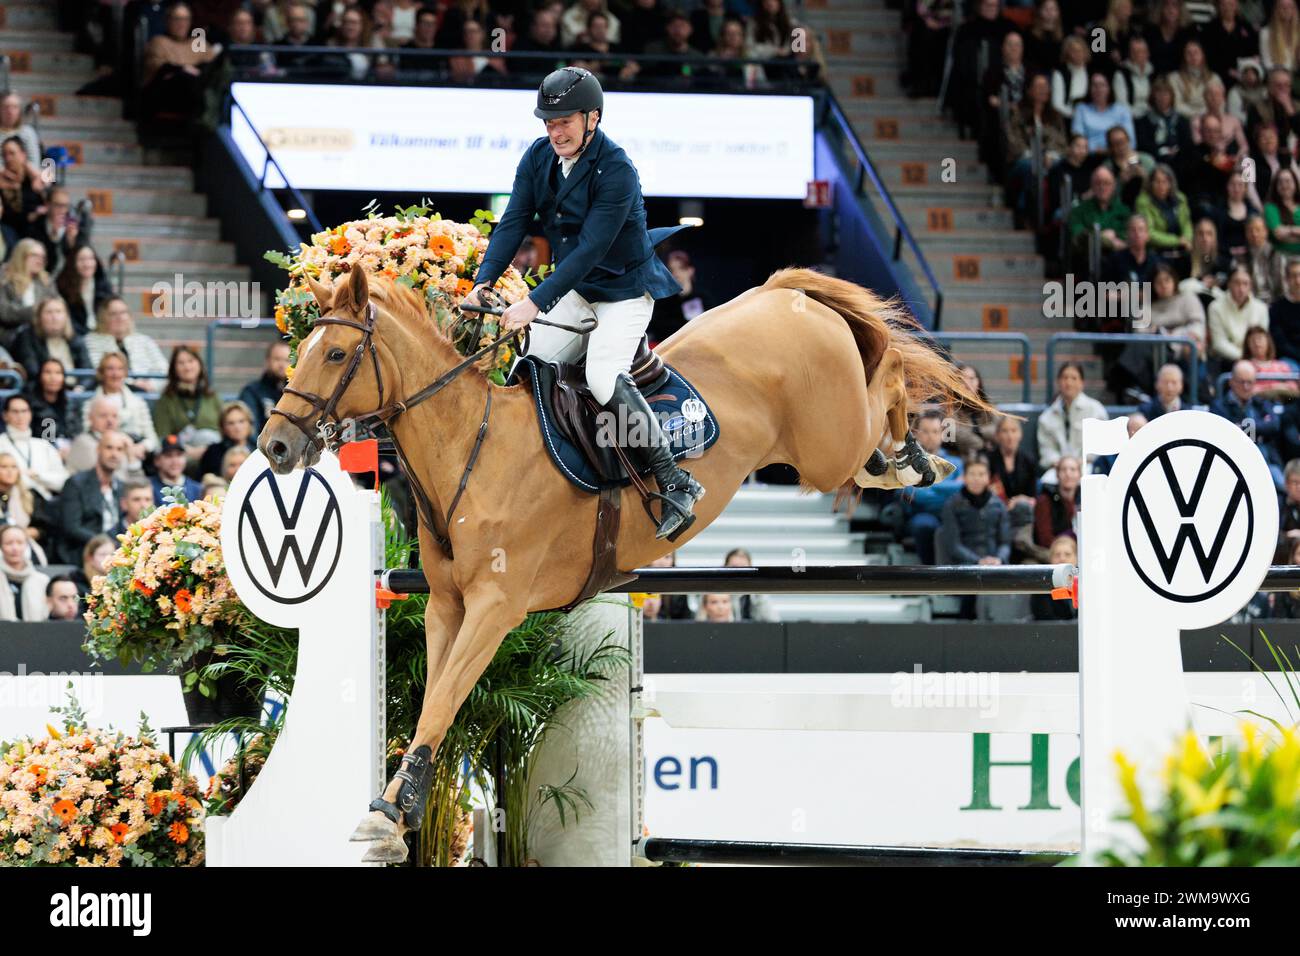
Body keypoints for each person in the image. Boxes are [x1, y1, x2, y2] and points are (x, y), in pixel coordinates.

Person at [464, 67, 702, 539]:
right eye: (549, 123)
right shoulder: (538, 157)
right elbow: (513, 221)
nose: (555, 132)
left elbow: (592, 247)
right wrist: (483, 281)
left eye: (565, 122)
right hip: (578, 288)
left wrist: (534, 302)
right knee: (531, 363)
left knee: (599, 374)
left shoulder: (616, 169)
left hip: (625, 292)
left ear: (593, 117)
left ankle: (675, 479)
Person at [938, 454, 1010, 618]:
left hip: (995, 564)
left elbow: (1005, 542)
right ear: (964, 477)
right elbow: (953, 544)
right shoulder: (952, 505)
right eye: (972, 474)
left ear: (988, 478)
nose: (976, 479)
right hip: (965, 566)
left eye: (981, 474)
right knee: (972, 588)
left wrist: (999, 559)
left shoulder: (998, 505)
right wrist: (977, 561)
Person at [901, 409, 963, 565]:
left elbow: (962, 490)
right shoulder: (907, 462)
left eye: (935, 431)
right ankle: (930, 576)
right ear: (916, 434)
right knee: (924, 525)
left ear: (942, 433)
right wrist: (950, 487)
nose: (931, 436)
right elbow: (914, 494)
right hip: (923, 514)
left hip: (953, 514)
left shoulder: (956, 462)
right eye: (926, 431)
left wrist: (929, 485)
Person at [57, 430, 127, 564]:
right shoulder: (76, 483)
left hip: (116, 553)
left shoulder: (122, 486)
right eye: (109, 448)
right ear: (98, 449)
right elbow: (71, 527)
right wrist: (105, 543)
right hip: (82, 553)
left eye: (119, 449)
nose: (114, 454)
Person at [1212, 359, 1285, 488]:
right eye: (1242, 382)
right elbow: (1225, 433)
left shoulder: (1260, 402)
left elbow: (1274, 425)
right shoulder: (1219, 406)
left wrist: (1242, 426)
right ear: (1231, 382)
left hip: (1265, 461)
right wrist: (1260, 428)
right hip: (1233, 462)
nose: (1246, 387)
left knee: (1283, 487)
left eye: (1250, 382)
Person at [141, 1, 222, 116]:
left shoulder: (197, 43)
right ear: (168, 21)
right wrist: (181, 69)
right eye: (177, 19)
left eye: (185, 19)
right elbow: (156, 67)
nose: (181, 24)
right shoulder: (158, 42)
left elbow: (213, 64)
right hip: (168, 97)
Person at [152, 344, 222, 469]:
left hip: (213, 451)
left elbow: (224, 428)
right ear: (174, 369)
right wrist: (187, 450)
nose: (187, 366)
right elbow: (163, 435)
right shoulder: (166, 400)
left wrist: (208, 449)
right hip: (180, 453)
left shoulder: (212, 396)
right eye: (181, 363)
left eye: (191, 361)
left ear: (199, 364)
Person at [1036, 363, 1108, 482]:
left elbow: (1101, 446)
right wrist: (1062, 465)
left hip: (1087, 466)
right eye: (1065, 378)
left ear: (1081, 383)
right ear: (1058, 382)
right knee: (1046, 481)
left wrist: (1078, 463)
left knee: (1092, 481)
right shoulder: (1046, 417)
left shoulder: (1096, 410)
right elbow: (1046, 450)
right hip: (1058, 470)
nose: (1069, 383)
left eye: (1074, 378)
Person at [81, 352, 159, 455]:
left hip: (136, 454)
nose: (115, 374)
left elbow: (152, 438)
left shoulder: (138, 402)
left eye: (120, 369)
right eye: (110, 369)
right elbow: (87, 434)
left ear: (125, 372)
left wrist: (141, 447)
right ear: (102, 373)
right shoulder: (90, 404)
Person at [82, 297, 169, 387]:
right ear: (103, 318)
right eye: (113, 314)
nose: (119, 318)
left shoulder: (144, 341)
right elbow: (98, 370)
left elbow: (163, 369)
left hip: (147, 393)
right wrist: (133, 385)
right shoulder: (90, 341)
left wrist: (151, 384)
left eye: (123, 313)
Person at [0, 393, 67, 502]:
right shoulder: (1, 443)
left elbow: (63, 482)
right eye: (15, 411)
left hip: (45, 506)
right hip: (9, 502)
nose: (20, 416)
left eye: (24, 411)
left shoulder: (43, 445)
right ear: (5, 416)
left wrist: (38, 475)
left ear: (30, 414)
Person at [10, 296, 90, 382]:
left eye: (58, 312)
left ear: (66, 316)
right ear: (39, 317)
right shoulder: (27, 337)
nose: (54, 317)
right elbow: (32, 371)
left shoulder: (76, 339)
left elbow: (88, 372)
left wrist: (82, 387)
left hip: (75, 392)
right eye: (49, 312)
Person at [66, 396, 142, 479]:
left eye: (114, 416)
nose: (110, 421)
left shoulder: (122, 440)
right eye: (103, 415)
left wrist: (131, 455)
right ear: (90, 418)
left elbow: (139, 482)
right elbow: (110, 480)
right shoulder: (83, 442)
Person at [0, 238, 55, 348]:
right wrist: (36, 311)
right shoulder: (4, 277)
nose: (40, 260)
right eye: (35, 255)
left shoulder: (46, 281)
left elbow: (57, 305)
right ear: (21, 256)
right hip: (11, 334)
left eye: (42, 257)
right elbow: (4, 312)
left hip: (43, 334)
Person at [1208, 266, 1269, 361]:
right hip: (1226, 360)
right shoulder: (1215, 307)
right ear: (1229, 284)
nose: (1241, 288)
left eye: (1245, 284)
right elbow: (1219, 343)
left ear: (1251, 286)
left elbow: (1261, 340)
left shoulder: (1261, 308)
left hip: (1255, 359)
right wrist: (1243, 358)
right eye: (1237, 283)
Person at [1134, 165, 1191, 264]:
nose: (1161, 185)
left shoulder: (1180, 198)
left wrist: (1186, 238)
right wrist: (1177, 241)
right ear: (1150, 183)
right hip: (1157, 253)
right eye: (1157, 181)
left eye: (1165, 181)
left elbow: (1187, 223)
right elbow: (1149, 233)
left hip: (1182, 249)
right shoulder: (1143, 202)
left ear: (1170, 183)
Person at [55, 244, 113, 336]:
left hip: (102, 333)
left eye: (91, 259)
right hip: (76, 335)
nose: (87, 264)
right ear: (73, 263)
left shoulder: (104, 285)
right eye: (82, 259)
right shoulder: (63, 286)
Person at [1072, 74, 1134, 153]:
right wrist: (1094, 149)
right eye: (1094, 85)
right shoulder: (1081, 109)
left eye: (1102, 85)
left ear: (1109, 88)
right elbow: (1077, 138)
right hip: (1088, 155)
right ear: (1089, 89)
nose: (1099, 89)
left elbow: (1131, 141)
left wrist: (1110, 150)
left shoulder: (1122, 110)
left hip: (1118, 153)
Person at [238, 340, 289, 434]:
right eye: (277, 359)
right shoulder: (252, 391)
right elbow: (250, 430)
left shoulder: (296, 394)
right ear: (267, 361)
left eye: (287, 360)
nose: (282, 365)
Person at [0, 523, 49, 621]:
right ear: (1, 546)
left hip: (34, 633)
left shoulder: (42, 581)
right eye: (9, 543)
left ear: (26, 545)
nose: (15, 548)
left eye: (20, 543)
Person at [198, 401, 256, 481]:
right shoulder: (213, 453)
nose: (237, 427)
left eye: (241, 421)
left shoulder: (260, 450)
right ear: (223, 427)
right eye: (231, 423)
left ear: (250, 423)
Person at [1033, 455, 1081, 551]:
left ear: (1080, 474)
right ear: (1057, 474)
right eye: (1064, 470)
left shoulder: (1087, 499)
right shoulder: (1045, 500)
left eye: (1073, 469)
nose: (1068, 474)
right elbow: (1045, 539)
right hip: (1053, 553)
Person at [721, 547, 779, 622]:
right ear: (725, 568)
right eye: (734, 567)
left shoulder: (757, 593)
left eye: (743, 568)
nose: (739, 572)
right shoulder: (715, 592)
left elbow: (772, 621)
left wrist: (757, 597)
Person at [1237, 214, 1285, 304]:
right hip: (1249, 304)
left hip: (1274, 302)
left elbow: (1282, 286)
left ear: (1265, 231)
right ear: (1246, 233)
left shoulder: (1277, 255)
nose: (1254, 234)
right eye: (1250, 230)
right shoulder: (1240, 256)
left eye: (1258, 230)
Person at [24, 358, 73, 445]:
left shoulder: (70, 403)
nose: (53, 377)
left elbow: (76, 431)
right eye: (48, 372)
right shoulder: (29, 404)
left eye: (58, 373)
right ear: (40, 376)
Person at [1030, 534, 1079, 621]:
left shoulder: (1085, 584)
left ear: (1076, 558)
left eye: (1067, 554)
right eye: (1057, 555)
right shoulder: (1042, 588)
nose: (1062, 558)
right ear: (1050, 559)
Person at [1242, 326, 1299, 397]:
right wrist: (1274, 387)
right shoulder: (1244, 367)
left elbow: (1293, 388)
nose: (1257, 343)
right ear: (1247, 345)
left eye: (1260, 339)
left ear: (1268, 341)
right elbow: (1244, 390)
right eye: (1253, 340)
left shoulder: (1281, 366)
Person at [150, 434, 204, 504]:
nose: (175, 461)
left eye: (179, 455)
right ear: (157, 461)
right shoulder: (148, 488)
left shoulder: (197, 489)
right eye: (169, 456)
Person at [1264, 166, 1300, 256]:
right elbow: (1279, 234)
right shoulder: (1270, 208)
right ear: (1276, 186)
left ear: (1295, 183)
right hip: (1282, 257)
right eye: (1280, 182)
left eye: (1288, 181)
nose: (1284, 185)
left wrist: (1289, 230)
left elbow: (1284, 233)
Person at [69, 532, 114, 603]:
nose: (109, 558)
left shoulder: (119, 579)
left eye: (112, 554)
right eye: (103, 554)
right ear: (90, 558)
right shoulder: (78, 583)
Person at [0, 93, 40, 165]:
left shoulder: (28, 133)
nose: (10, 111)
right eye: (6, 107)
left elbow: (34, 163)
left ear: (20, 110)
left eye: (15, 107)